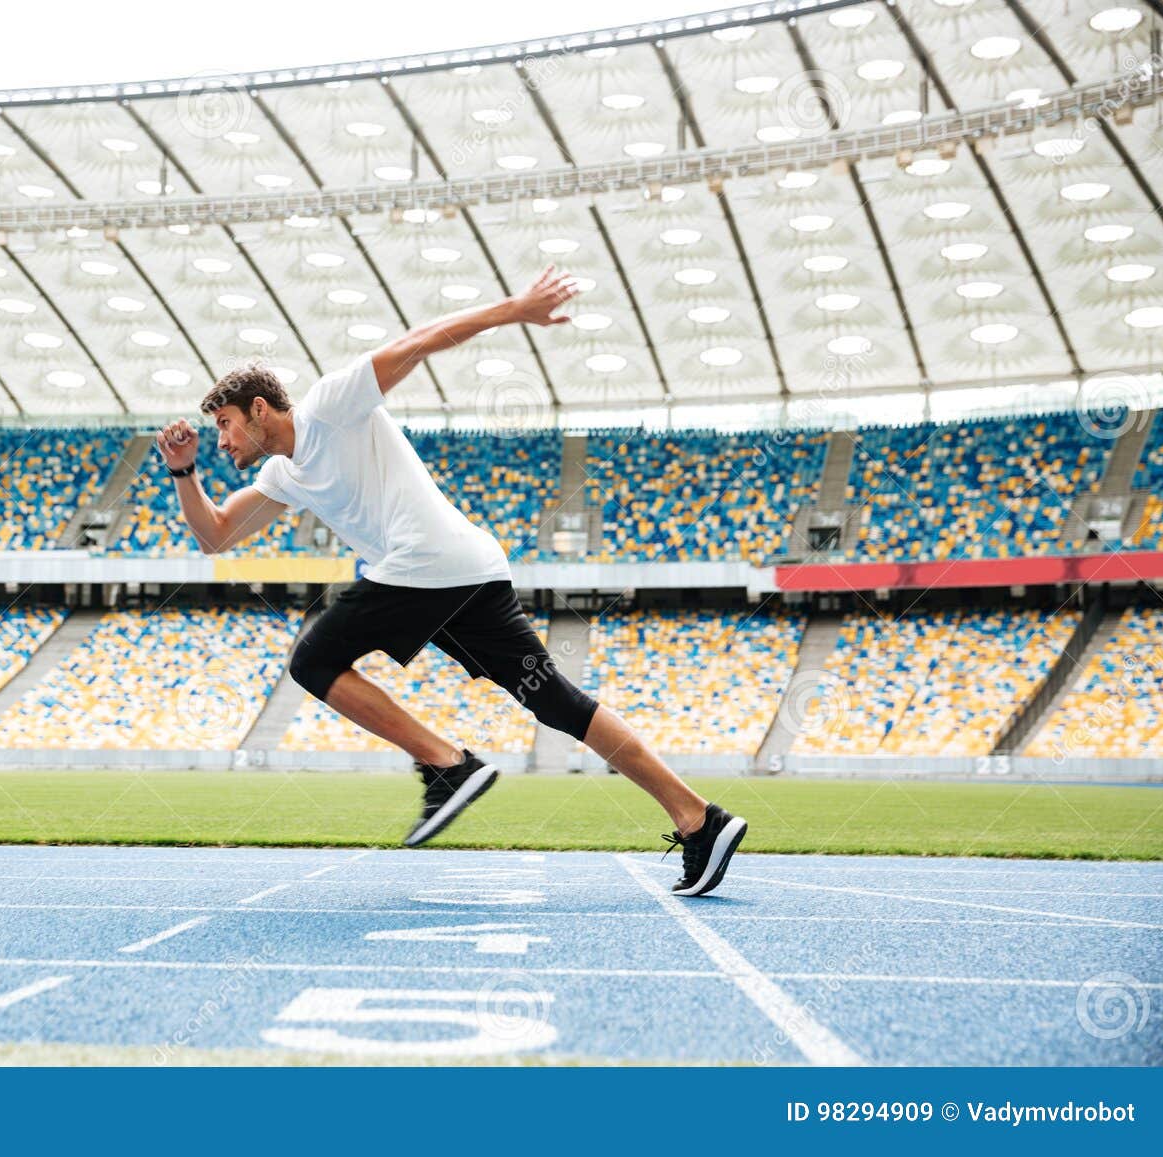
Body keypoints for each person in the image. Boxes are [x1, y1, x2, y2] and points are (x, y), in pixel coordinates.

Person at [155, 266, 746, 896]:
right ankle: (698, 819)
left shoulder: (332, 403)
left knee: (314, 660)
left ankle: (448, 765)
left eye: (224, 425)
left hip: (424, 566)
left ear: (261, 408)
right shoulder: (283, 476)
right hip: (468, 575)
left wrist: (517, 309)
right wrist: (183, 472)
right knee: (555, 702)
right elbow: (216, 535)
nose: (220, 440)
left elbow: (418, 342)